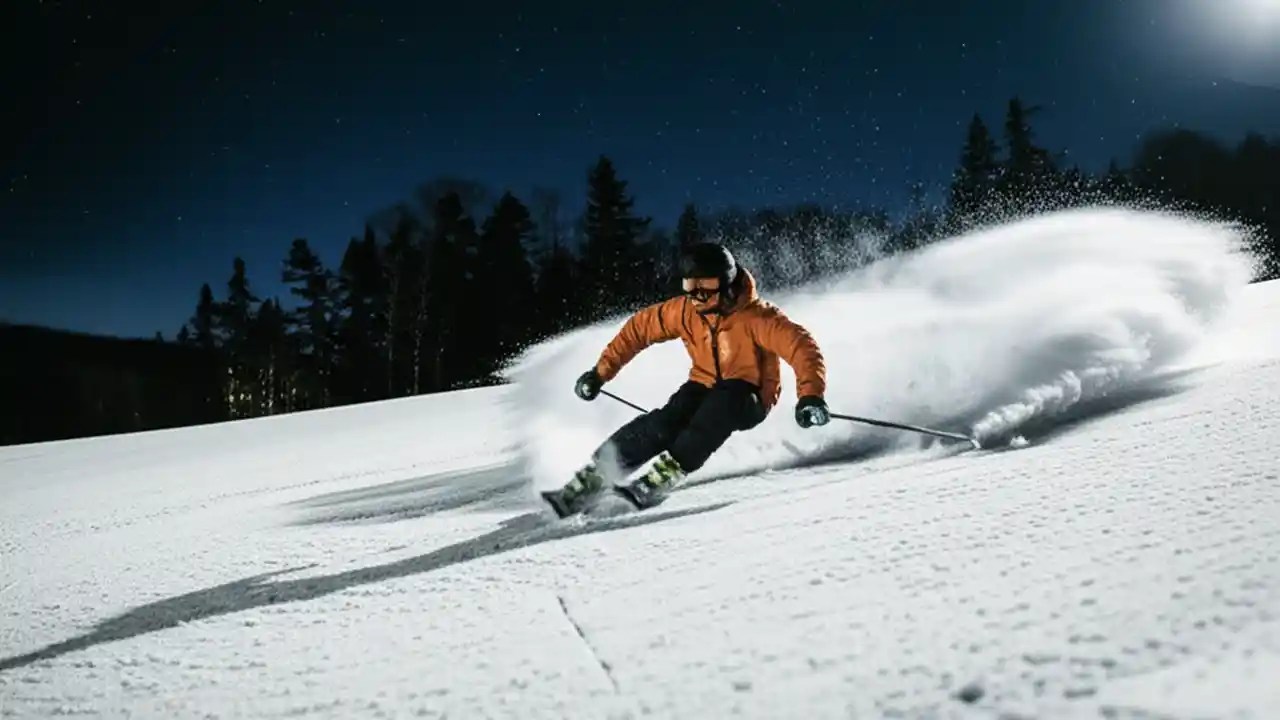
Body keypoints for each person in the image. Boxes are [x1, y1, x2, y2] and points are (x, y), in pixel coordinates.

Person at [542, 242, 831, 517]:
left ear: (727, 284)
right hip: (704, 384)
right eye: (691, 287)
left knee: (718, 407)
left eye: (706, 287)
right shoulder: (685, 311)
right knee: (664, 422)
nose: (697, 296)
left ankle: (662, 476)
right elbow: (638, 330)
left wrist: (811, 396)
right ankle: (594, 477)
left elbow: (802, 347)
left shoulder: (758, 317)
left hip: (748, 396)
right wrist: (599, 374)